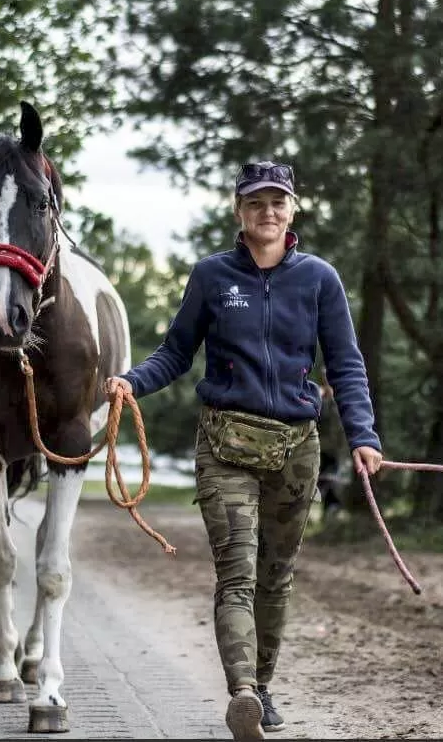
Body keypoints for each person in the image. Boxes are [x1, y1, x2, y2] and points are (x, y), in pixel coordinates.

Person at [103, 160, 382, 741]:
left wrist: (363, 438)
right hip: (225, 447)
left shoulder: (319, 279)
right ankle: (244, 694)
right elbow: (177, 351)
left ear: (293, 209)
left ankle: (264, 686)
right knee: (237, 574)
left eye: (278, 201)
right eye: (256, 202)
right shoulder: (211, 276)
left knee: (275, 577)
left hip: (296, 451)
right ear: (239, 211)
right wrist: (133, 380)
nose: (268, 212)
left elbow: (347, 365)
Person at [316, 367, 350, 519]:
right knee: (320, 482)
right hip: (320, 448)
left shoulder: (342, 398)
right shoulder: (318, 396)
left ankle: (332, 514)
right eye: (325, 376)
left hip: (338, 450)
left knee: (335, 484)